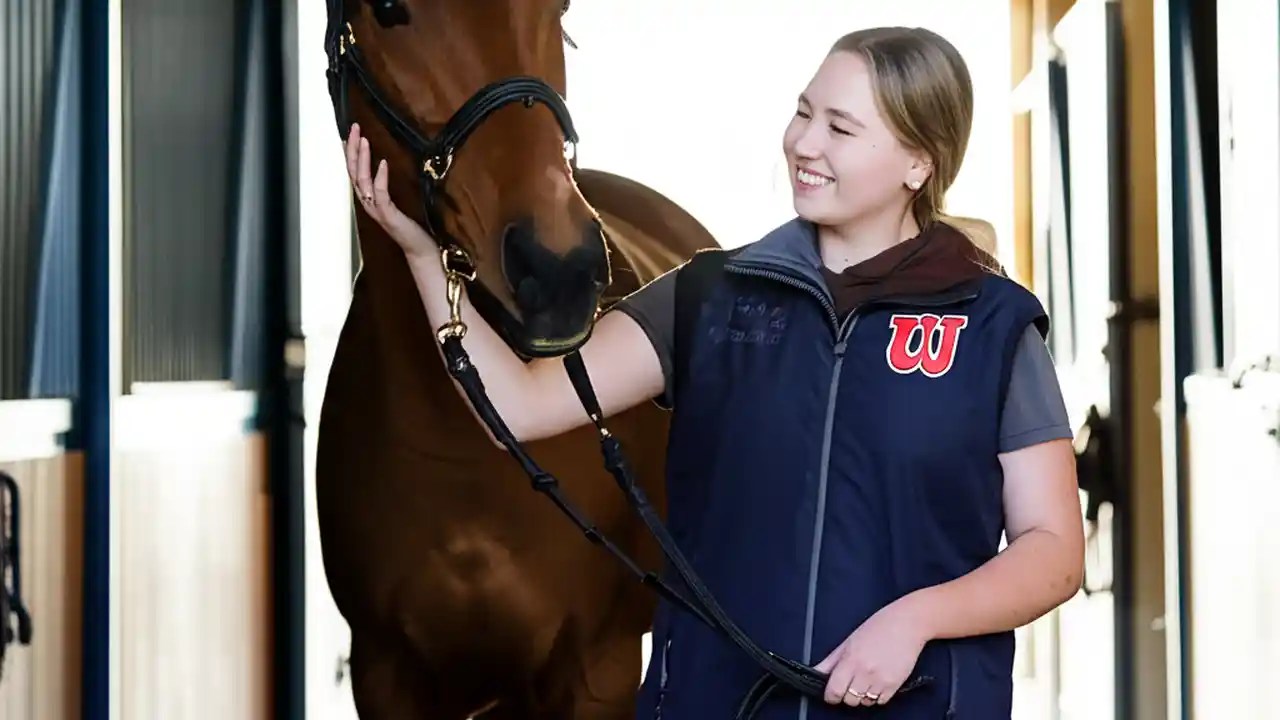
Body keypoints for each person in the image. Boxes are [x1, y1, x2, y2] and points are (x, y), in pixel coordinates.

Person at [343, 25, 1084, 720]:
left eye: (841, 127)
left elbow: (1052, 551)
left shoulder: (993, 329)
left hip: (914, 700)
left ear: (918, 163)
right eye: (804, 112)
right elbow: (524, 408)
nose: (805, 143)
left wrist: (917, 620)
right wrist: (421, 257)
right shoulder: (704, 298)